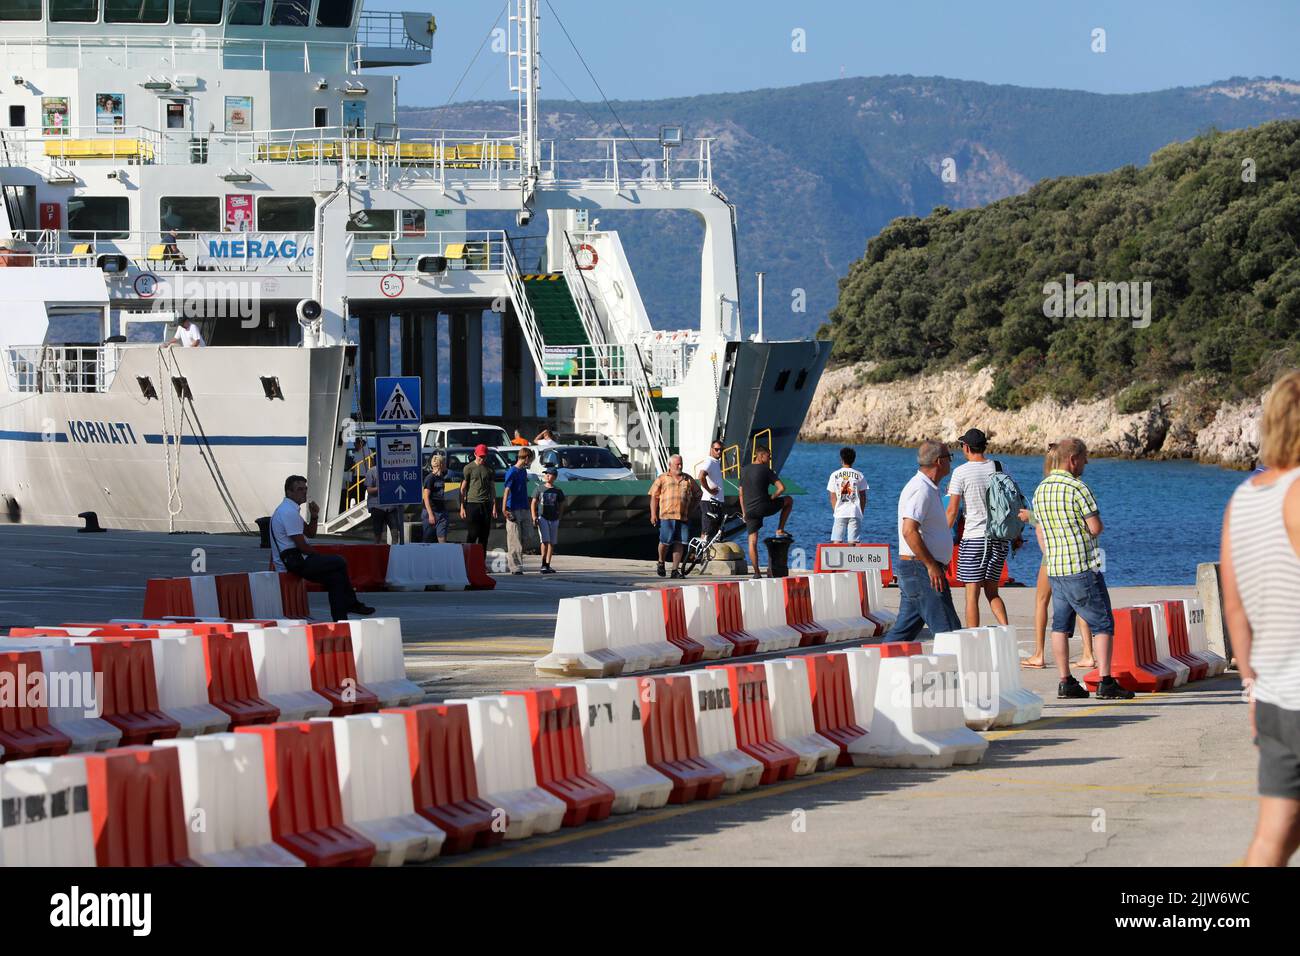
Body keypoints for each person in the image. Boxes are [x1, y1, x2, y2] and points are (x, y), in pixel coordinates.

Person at [1221, 370, 1300, 866]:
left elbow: (1234, 607)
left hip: (1273, 694)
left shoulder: (1244, 498)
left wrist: (1250, 685)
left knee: (1275, 835)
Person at [1033, 437, 1133, 701]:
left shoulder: (1040, 490)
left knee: (1060, 626)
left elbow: (1040, 527)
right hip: (1081, 565)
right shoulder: (1078, 488)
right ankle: (1106, 681)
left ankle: (1065, 681)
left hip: (1055, 567)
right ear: (1072, 459)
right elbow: (1095, 527)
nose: (1086, 463)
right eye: (1084, 458)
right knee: (1103, 623)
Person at [1020, 443, 1094, 670]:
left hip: (1053, 554)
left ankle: (1040, 653)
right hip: (1081, 554)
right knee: (1083, 604)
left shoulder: (1045, 489)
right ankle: (1089, 653)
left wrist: (1029, 517)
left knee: (1042, 601)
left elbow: (1045, 523)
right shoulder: (1076, 487)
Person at [883, 440, 962, 642]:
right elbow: (909, 530)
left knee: (903, 632)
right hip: (921, 570)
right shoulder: (921, 489)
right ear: (939, 461)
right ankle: (956, 672)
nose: (950, 462)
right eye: (949, 457)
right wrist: (930, 565)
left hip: (918, 570)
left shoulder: (928, 488)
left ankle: (879, 665)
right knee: (949, 632)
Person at [270, 475, 374, 620]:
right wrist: (320, 557)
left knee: (336, 578)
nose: (304, 492)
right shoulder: (287, 512)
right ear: (289, 492)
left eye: (305, 489)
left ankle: (341, 619)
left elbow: (310, 533)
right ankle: (351, 603)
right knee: (339, 561)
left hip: (295, 559)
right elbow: (303, 546)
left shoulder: (289, 510)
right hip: (293, 562)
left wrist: (314, 516)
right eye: (299, 489)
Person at [944, 428, 1010, 628]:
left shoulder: (960, 473)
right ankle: (1007, 631)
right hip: (998, 539)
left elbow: (952, 511)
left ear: (966, 447)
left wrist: (942, 536)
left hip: (974, 538)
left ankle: (974, 637)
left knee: (972, 596)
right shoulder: (999, 466)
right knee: (992, 592)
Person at [739, 446, 792, 578]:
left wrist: (744, 512)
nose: (769, 459)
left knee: (752, 541)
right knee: (789, 500)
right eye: (768, 456)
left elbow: (741, 494)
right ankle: (780, 529)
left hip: (749, 510)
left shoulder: (744, 470)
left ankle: (757, 573)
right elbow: (781, 488)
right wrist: (772, 497)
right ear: (761, 456)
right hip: (764, 506)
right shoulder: (766, 470)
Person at [649, 454, 700, 578]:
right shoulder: (662, 478)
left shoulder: (688, 479)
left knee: (680, 543)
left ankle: (675, 570)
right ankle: (661, 562)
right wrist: (653, 514)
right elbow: (654, 497)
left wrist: (691, 509)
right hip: (667, 516)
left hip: (683, 517)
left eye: (681, 463)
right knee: (665, 542)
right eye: (677, 464)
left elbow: (698, 494)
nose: (680, 466)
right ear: (670, 465)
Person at [501, 447, 536, 575]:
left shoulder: (523, 472)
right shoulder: (512, 472)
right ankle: (516, 567)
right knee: (514, 540)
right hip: (513, 509)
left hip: (524, 507)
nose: (531, 462)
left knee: (528, 536)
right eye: (531, 459)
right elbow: (506, 491)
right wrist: (504, 508)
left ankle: (518, 561)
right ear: (526, 458)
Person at [827, 446, 869, 543]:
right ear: (853, 460)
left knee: (836, 541)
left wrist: (836, 510)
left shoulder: (834, 475)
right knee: (853, 543)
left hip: (840, 512)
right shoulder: (859, 475)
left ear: (841, 460)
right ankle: (852, 558)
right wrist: (861, 511)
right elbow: (863, 496)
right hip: (854, 512)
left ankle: (837, 558)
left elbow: (832, 496)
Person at [459, 443, 497, 550]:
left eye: (484, 456)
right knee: (472, 533)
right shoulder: (468, 468)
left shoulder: (489, 469)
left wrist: (494, 506)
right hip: (472, 504)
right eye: (480, 456)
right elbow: (463, 489)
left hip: (486, 504)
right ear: (475, 454)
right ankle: (467, 560)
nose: (482, 459)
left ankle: (481, 562)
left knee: (484, 535)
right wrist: (462, 507)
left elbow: (492, 488)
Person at [532, 465, 566, 574]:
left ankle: (548, 564)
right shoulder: (539, 488)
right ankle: (543, 564)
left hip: (554, 519)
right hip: (543, 517)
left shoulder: (557, 491)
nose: (547, 476)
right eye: (546, 474)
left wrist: (560, 516)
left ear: (554, 477)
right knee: (544, 541)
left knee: (552, 542)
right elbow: (533, 503)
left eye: (549, 474)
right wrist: (534, 516)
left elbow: (561, 504)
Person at [365, 459, 402, 545]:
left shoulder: (393, 471)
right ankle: (377, 553)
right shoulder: (372, 471)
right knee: (377, 534)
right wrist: (381, 488)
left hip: (391, 507)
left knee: (396, 533)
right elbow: (369, 490)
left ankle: (394, 553)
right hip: (377, 506)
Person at [695, 440, 726, 540]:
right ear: (711, 449)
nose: (719, 452)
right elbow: (701, 476)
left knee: (715, 533)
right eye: (716, 449)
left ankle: (709, 554)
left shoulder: (716, 462)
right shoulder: (709, 461)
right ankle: (701, 554)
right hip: (709, 502)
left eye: (721, 450)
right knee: (706, 531)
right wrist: (710, 490)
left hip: (716, 502)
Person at [422, 453, 449, 543]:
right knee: (428, 541)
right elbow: (425, 497)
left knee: (442, 540)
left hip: (441, 512)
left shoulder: (441, 477)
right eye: (444, 463)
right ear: (440, 464)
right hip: (431, 512)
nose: (446, 465)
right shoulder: (430, 478)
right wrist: (430, 514)